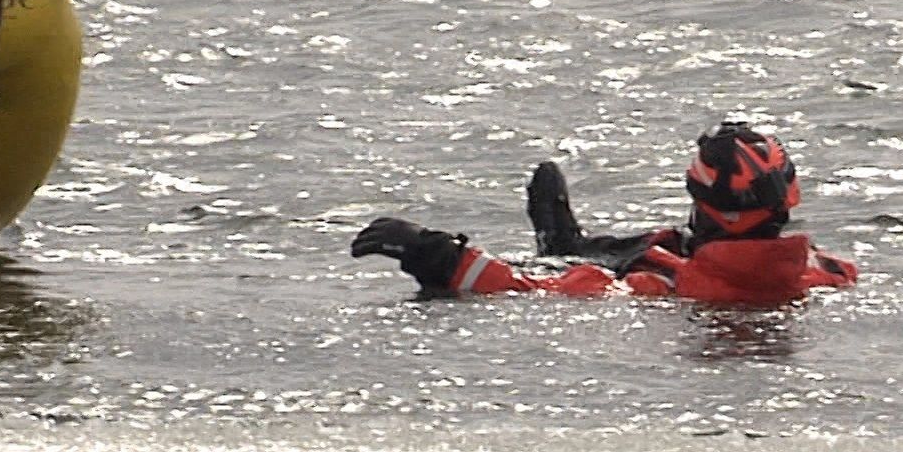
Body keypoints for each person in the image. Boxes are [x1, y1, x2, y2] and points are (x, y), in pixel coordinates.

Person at [351, 122, 858, 307]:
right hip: (699, 259)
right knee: (667, 244)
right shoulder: (829, 271)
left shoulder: (658, 286)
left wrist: (429, 252)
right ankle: (565, 241)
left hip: (645, 274)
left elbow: (525, 290)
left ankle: (559, 245)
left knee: (595, 264)